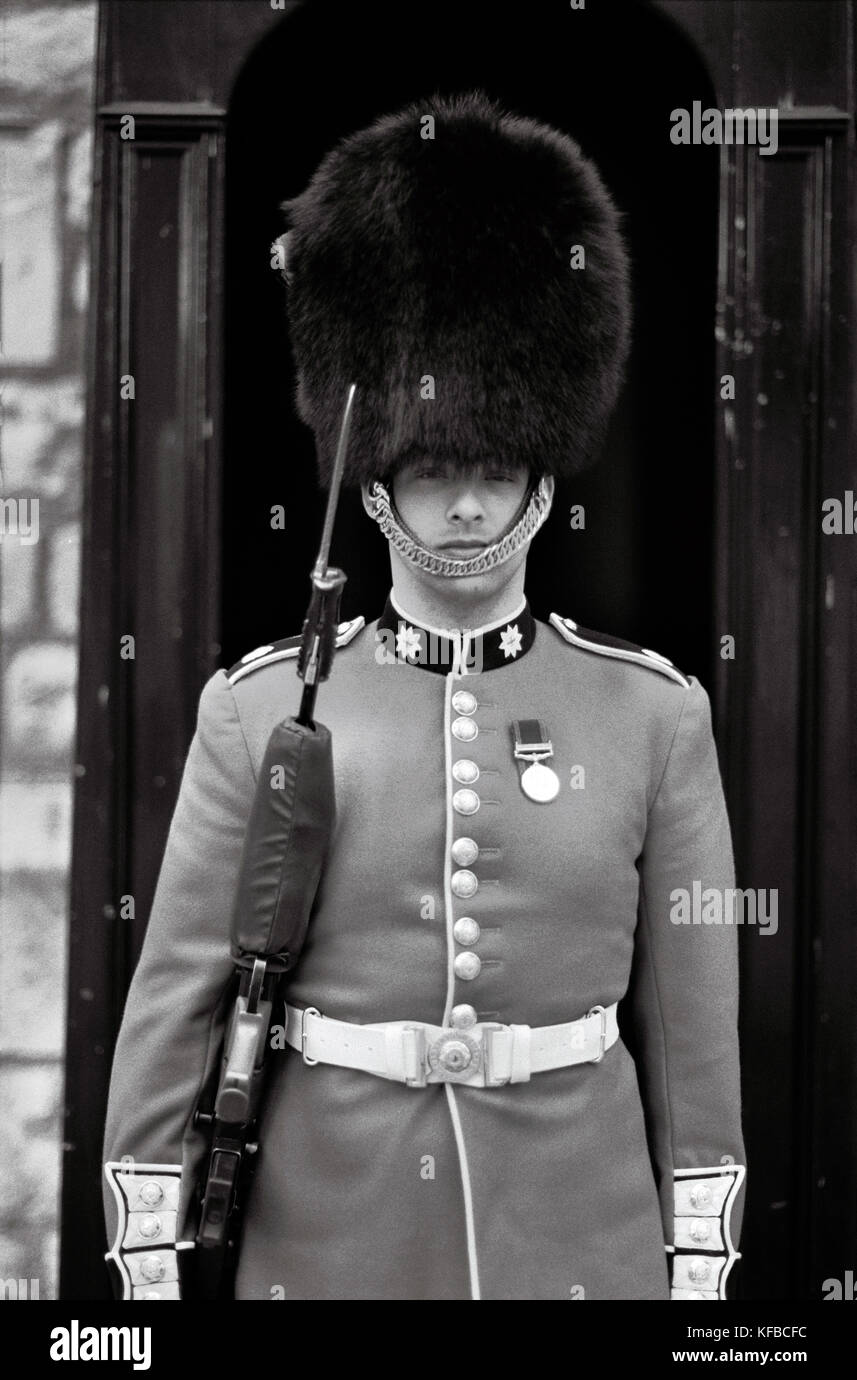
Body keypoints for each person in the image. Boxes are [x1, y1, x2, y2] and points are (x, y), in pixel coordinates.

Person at [102, 91, 745, 1301]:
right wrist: (145, 1242)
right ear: (381, 479)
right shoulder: (257, 709)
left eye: (491, 475)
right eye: (435, 470)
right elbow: (178, 989)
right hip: (327, 1244)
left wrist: (698, 1252)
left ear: (538, 484)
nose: (461, 508)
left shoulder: (652, 715)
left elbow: (688, 1023)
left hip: (577, 1247)